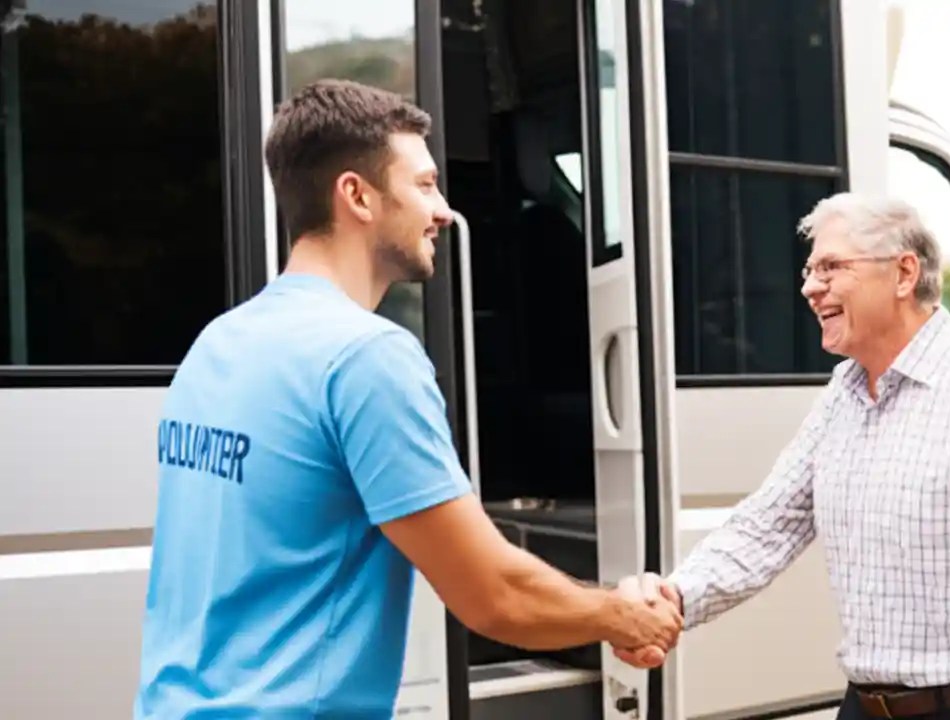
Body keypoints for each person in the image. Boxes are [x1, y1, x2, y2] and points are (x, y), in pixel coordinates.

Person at [134, 79, 681, 719]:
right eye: (423, 184)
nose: (444, 209)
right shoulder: (367, 356)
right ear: (357, 196)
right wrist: (618, 614)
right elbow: (492, 595)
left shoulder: (217, 344)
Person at [616, 192, 950, 719]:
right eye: (811, 270)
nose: (810, 287)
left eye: (832, 267)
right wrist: (675, 598)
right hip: (865, 708)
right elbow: (767, 525)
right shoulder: (843, 394)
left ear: (904, 274)